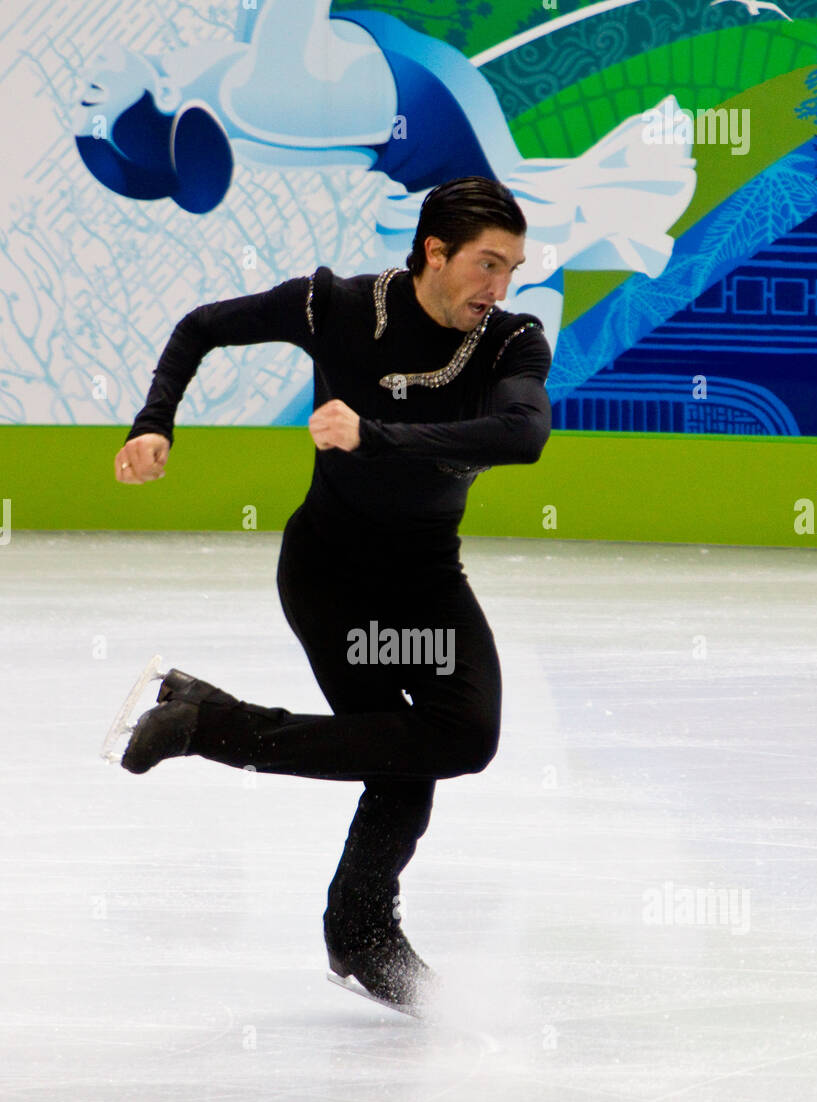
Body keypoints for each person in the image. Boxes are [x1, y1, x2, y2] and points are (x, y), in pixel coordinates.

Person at [112, 175, 552, 1015]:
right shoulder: (336, 308)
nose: (499, 289)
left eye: (513, 269)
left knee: (459, 736)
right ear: (434, 252)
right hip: (332, 579)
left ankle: (212, 723)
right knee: (403, 753)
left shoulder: (509, 341)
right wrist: (153, 420)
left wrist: (376, 434)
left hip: (424, 582)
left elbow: (523, 435)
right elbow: (200, 327)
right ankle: (360, 934)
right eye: (487, 266)